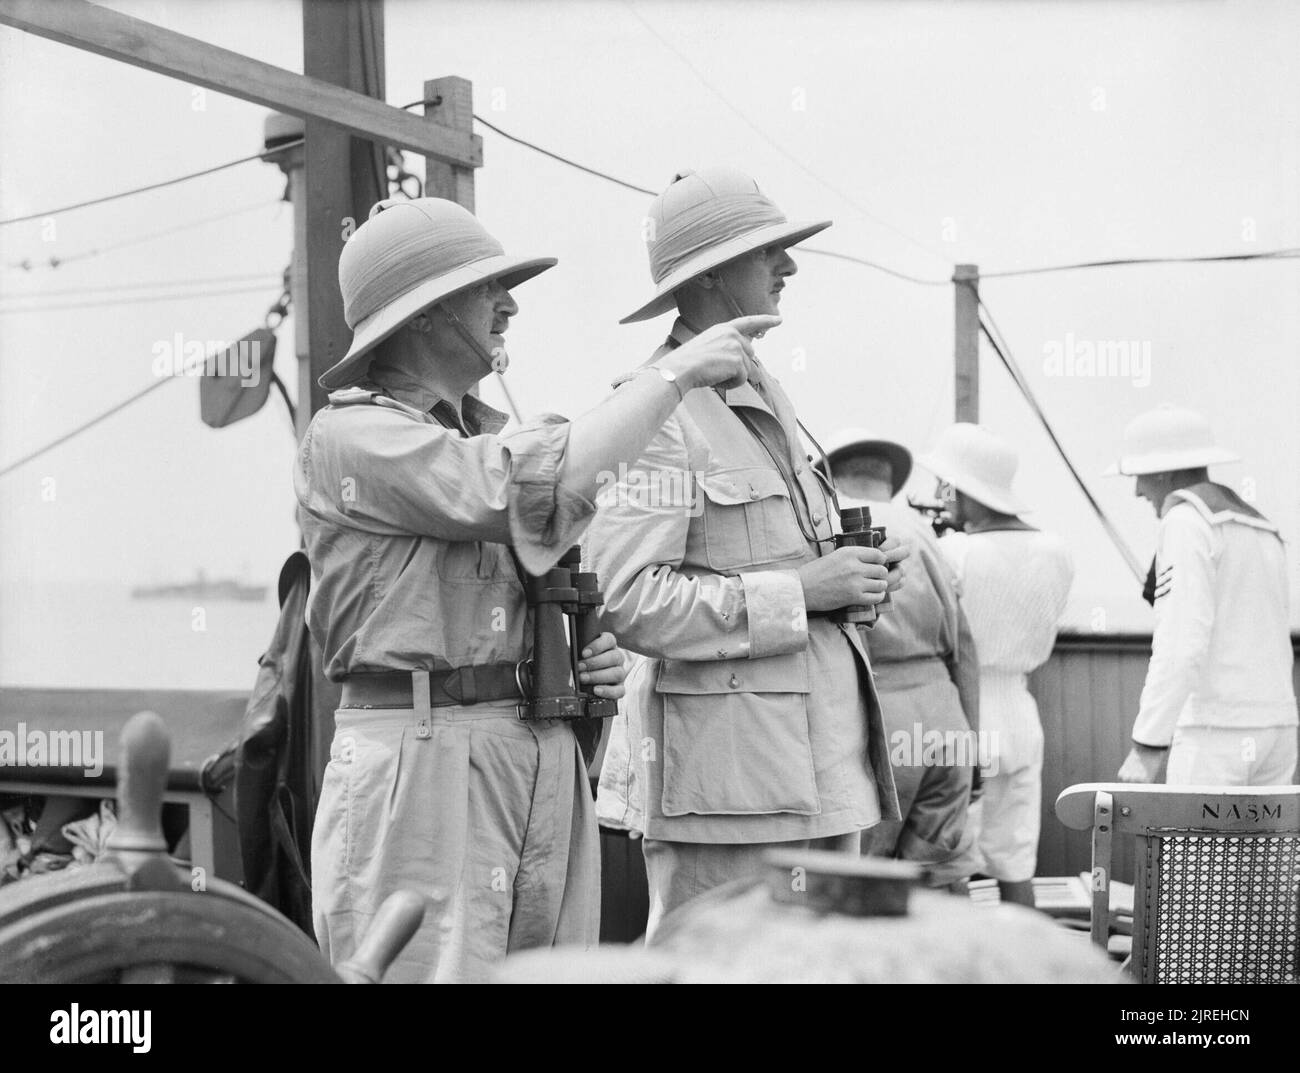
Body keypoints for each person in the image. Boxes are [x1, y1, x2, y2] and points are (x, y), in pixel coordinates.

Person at [297, 196, 775, 981]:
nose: (509, 305)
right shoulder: (351, 438)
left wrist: (592, 671)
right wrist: (676, 372)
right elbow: (517, 489)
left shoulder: (492, 437)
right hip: (424, 764)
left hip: (534, 753)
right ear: (421, 315)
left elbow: (549, 503)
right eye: (488, 289)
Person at [587, 167, 906, 940]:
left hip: (818, 776)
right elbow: (628, 597)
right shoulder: (656, 408)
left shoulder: (759, 394)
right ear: (711, 275)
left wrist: (849, 576)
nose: (788, 267)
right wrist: (805, 589)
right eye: (769, 252)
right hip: (729, 798)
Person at [917, 423, 1073, 907]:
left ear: (962, 488)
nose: (940, 496)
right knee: (1015, 863)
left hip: (966, 713)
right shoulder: (1056, 551)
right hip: (1022, 716)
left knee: (952, 865)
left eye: (946, 486)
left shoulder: (954, 552)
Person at [822, 429, 980, 888]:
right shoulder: (925, 533)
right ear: (889, 479)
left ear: (828, 478)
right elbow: (965, 647)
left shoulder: (835, 529)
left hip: (874, 715)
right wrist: (972, 740)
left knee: (862, 884)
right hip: (944, 717)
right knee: (940, 882)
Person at [1108, 405, 1298, 786]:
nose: (1137, 490)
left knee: (1191, 848)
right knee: (1267, 850)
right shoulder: (1261, 526)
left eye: (1139, 475)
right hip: (1277, 727)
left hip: (1215, 735)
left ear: (1163, 469)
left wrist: (1147, 746)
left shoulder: (1184, 523)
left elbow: (1180, 644)